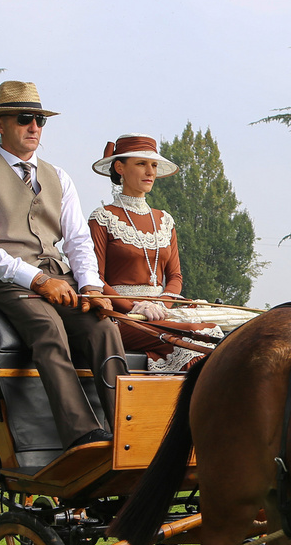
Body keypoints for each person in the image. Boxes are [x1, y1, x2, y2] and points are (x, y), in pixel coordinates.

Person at [0, 81, 123, 451]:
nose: (35, 127)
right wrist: (37, 281)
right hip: (4, 280)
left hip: (58, 275)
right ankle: (82, 435)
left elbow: (78, 239)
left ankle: (126, 428)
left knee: (104, 329)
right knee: (48, 328)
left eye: (40, 120)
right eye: (25, 119)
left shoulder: (58, 177)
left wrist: (92, 288)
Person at [88, 136, 222, 372]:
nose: (150, 172)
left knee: (213, 332)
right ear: (120, 168)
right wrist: (133, 307)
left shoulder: (165, 220)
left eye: (154, 165)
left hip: (161, 309)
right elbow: (95, 278)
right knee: (190, 338)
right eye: (141, 164)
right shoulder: (102, 217)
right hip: (119, 314)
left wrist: (162, 305)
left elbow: (175, 277)